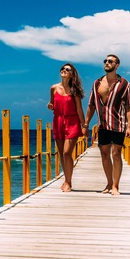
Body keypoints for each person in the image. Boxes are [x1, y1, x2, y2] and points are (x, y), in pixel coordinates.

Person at [84, 54, 130, 196]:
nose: (107, 63)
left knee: (116, 153)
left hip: (119, 124)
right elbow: (91, 105)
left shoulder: (125, 84)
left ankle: (115, 186)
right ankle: (108, 183)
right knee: (105, 154)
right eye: (105, 61)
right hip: (102, 125)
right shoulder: (97, 83)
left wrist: (129, 126)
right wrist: (86, 123)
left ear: (117, 65)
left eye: (110, 61)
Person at [47, 63, 86, 192]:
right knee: (62, 155)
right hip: (58, 121)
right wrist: (50, 105)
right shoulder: (53, 88)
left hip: (72, 121)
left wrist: (84, 125)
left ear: (72, 74)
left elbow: (79, 109)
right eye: (62, 69)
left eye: (67, 69)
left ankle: (68, 182)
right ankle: (67, 180)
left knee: (67, 152)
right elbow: (52, 103)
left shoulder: (74, 91)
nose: (64, 70)